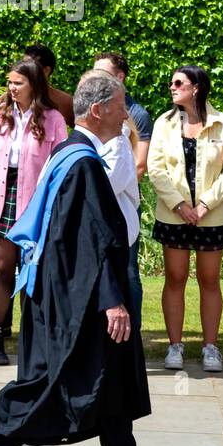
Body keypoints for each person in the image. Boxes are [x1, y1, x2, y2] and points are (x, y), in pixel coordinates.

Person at [0, 72, 176, 446]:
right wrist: (112, 301)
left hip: (72, 289)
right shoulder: (83, 166)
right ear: (97, 110)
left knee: (112, 376)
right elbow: (86, 244)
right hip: (76, 298)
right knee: (57, 382)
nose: (126, 117)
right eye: (120, 107)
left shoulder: (69, 153)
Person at [0, 58, 67, 364]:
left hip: (35, 203)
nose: (12, 88)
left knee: (31, 272)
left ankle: (32, 339)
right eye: (10, 82)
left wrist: (55, 207)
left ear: (34, 85)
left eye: (18, 82)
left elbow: (61, 165)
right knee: (2, 270)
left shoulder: (53, 119)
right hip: (1, 197)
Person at [147, 65, 223, 373]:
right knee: (175, 279)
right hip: (174, 215)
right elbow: (155, 169)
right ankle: (174, 346)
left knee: (210, 280)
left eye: (178, 83)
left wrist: (205, 205)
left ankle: (211, 348)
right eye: (171, 82)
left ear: (196, 87)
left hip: (214, 217)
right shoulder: (164, 123)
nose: (172, 87)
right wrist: (181, 205)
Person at [93, 51, 152, 318]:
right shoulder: (92, 109)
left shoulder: (137, 114)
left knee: (127, 271)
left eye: (102, 73)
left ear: (120, 77)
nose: (96, 78)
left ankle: (133, 335)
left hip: (121, 203)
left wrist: (108, 194)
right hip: (100, 201)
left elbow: (139, 165)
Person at [24, 44, 74, 127]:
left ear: (46, 70)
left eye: (30, 67)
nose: (24, 71)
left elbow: (82, 132)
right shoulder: (12, 97)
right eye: (23, 66)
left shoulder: (65, 102)